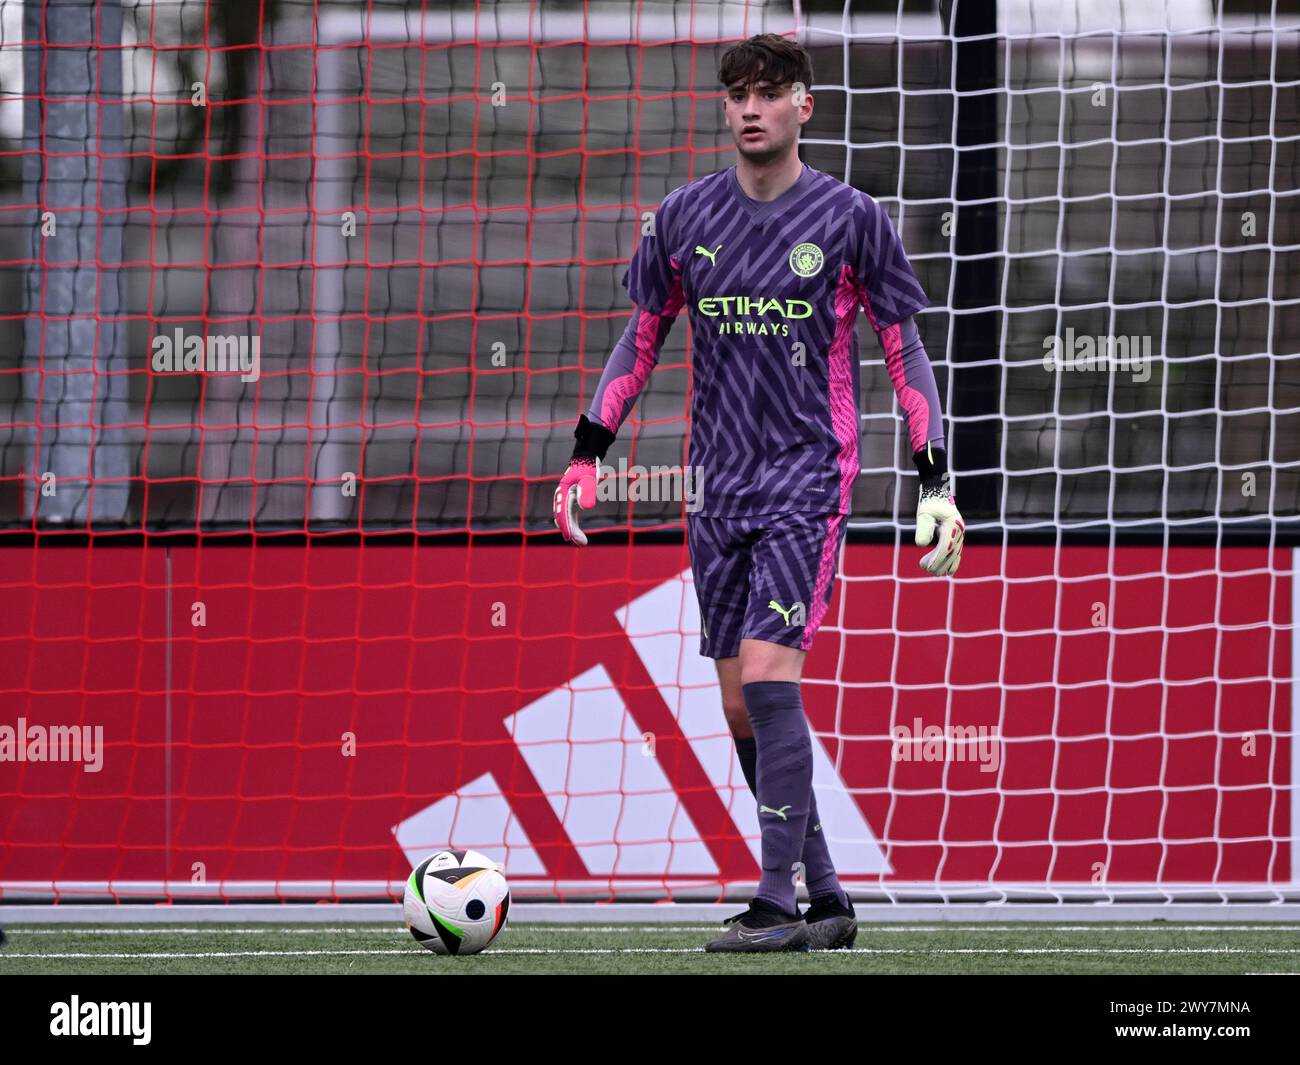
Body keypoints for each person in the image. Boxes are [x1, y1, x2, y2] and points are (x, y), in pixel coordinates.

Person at [554, 33, 964, 952]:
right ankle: (827, 895)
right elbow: (642, 336)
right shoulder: (681, 218)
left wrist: (935, 478)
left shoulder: (853, 217)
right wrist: (588, 454)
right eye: (737, 91)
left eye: (770, 92)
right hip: (719, 491)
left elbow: (905, 351)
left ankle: (773, 899)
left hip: (808, 481)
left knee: (774, 674)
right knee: (741, 706)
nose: (750, 107)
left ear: (803, 107)